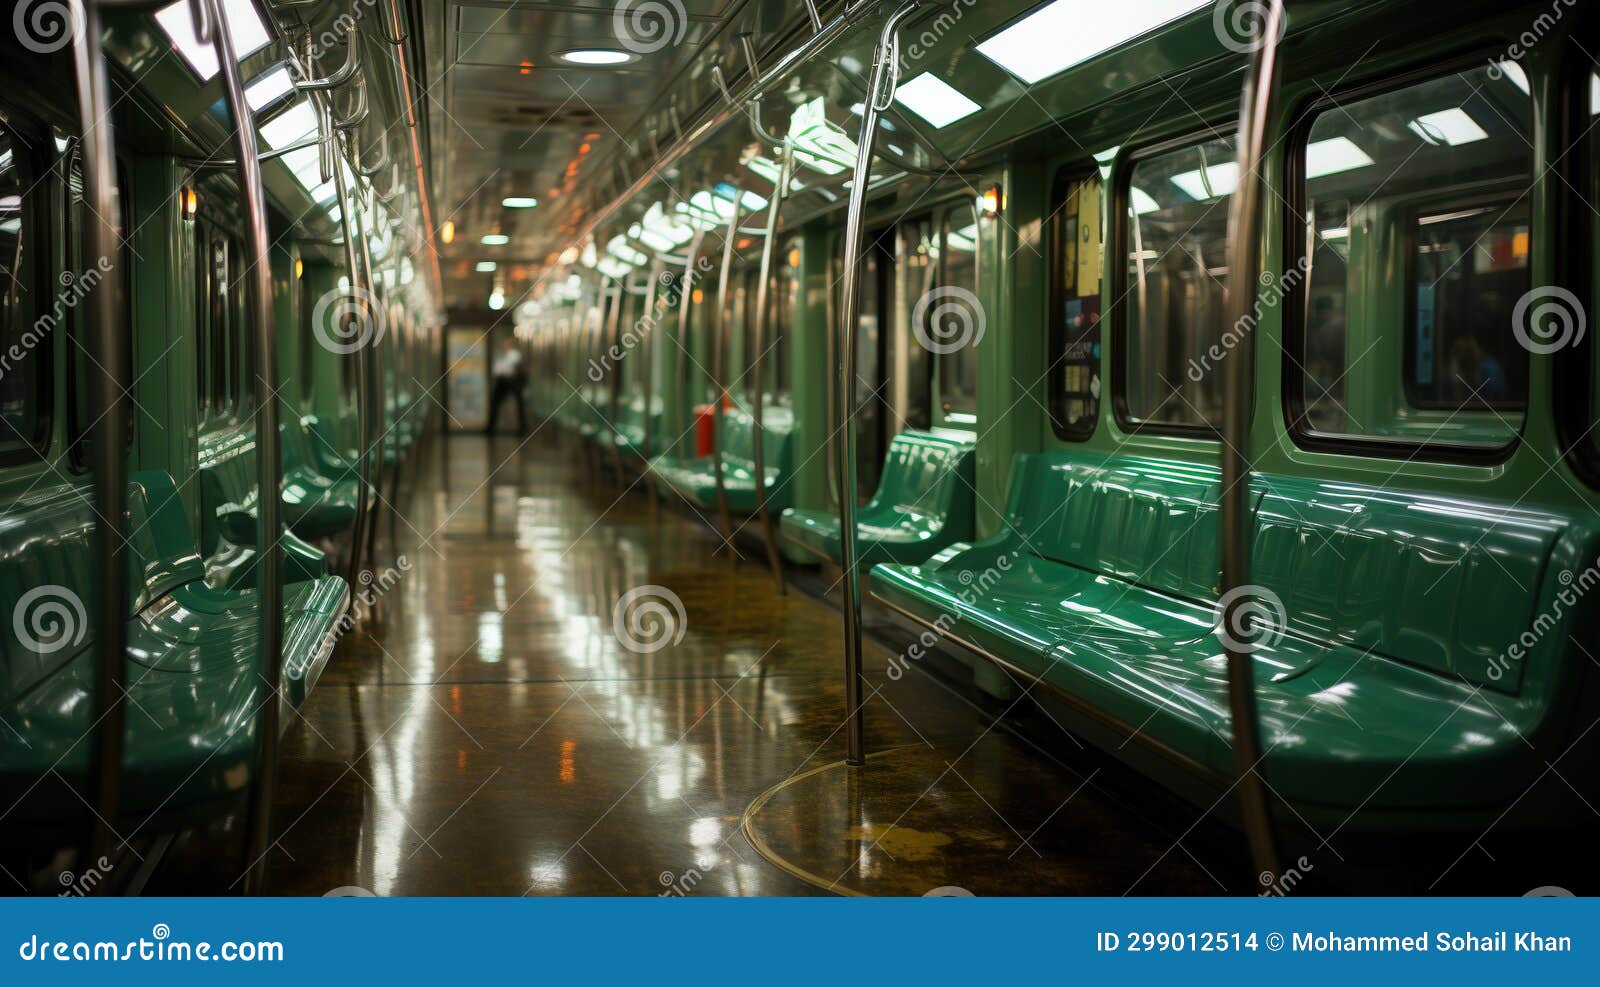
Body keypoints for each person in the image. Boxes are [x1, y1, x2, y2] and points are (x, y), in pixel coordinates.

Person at [485, 337, 526, 434]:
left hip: (512, 381)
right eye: (505, 344)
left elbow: (518, 368)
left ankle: (522, 427)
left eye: (508, 344)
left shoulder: (515, 355)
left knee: (519, 402)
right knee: (495, 403)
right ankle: (491, 428)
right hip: (501, 380)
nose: (506, 346)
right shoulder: (500, 355)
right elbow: (497, 368)